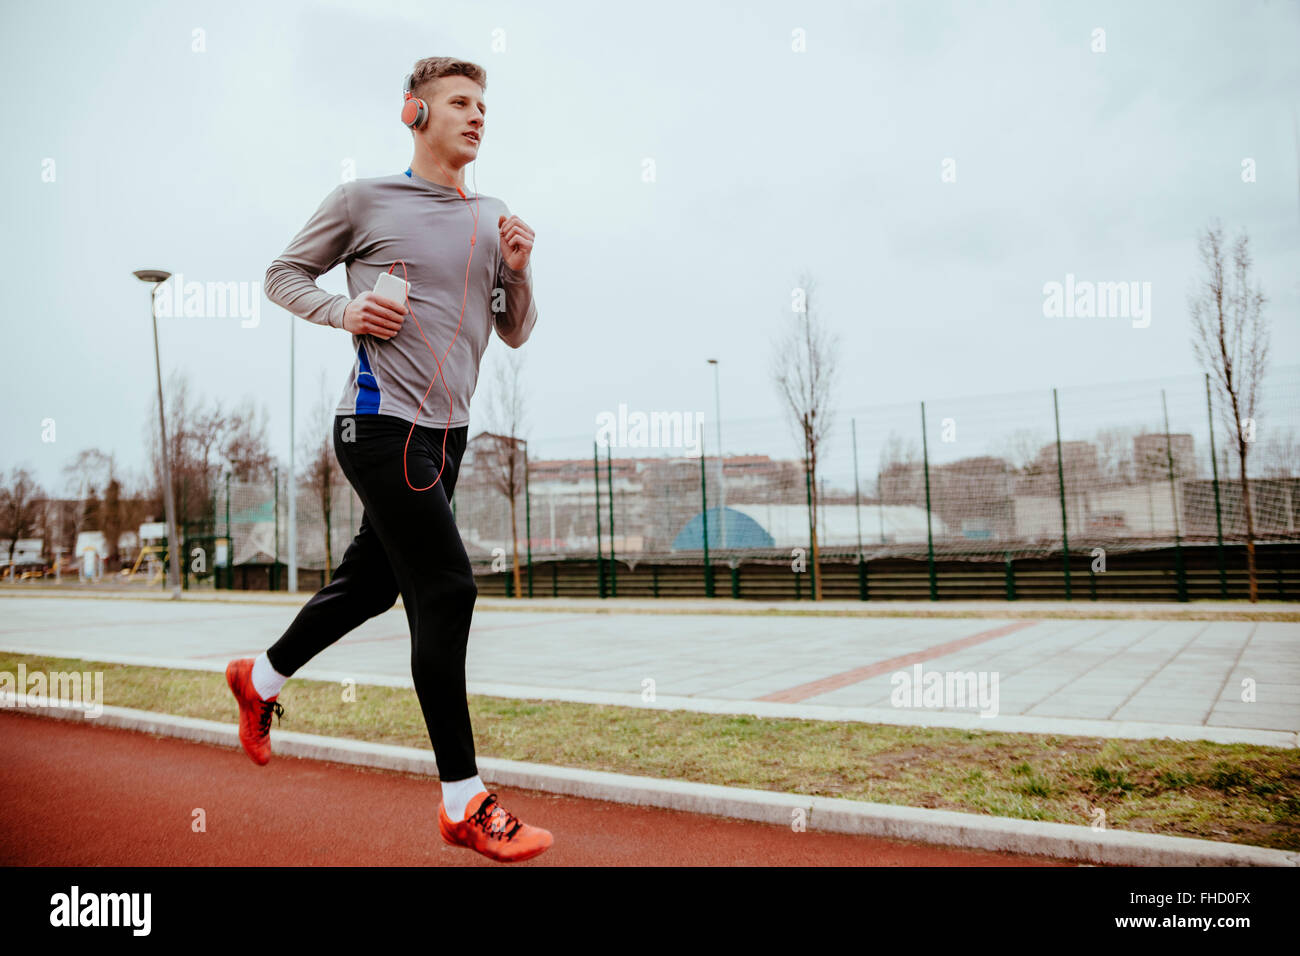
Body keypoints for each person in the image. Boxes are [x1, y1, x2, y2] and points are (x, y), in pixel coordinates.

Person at [224, 56, 549, 863]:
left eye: (484, 105)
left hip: (449, 434)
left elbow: (513, 331)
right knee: (446, 587)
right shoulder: (364, 199)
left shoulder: (494, 215)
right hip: (378, 423)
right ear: (415, 112)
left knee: (371, 585)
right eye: (460, 103)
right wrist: (343, 309)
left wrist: (518, 270)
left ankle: (258, 680)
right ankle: (464, 801)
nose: (477, 116)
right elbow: (281, 274)